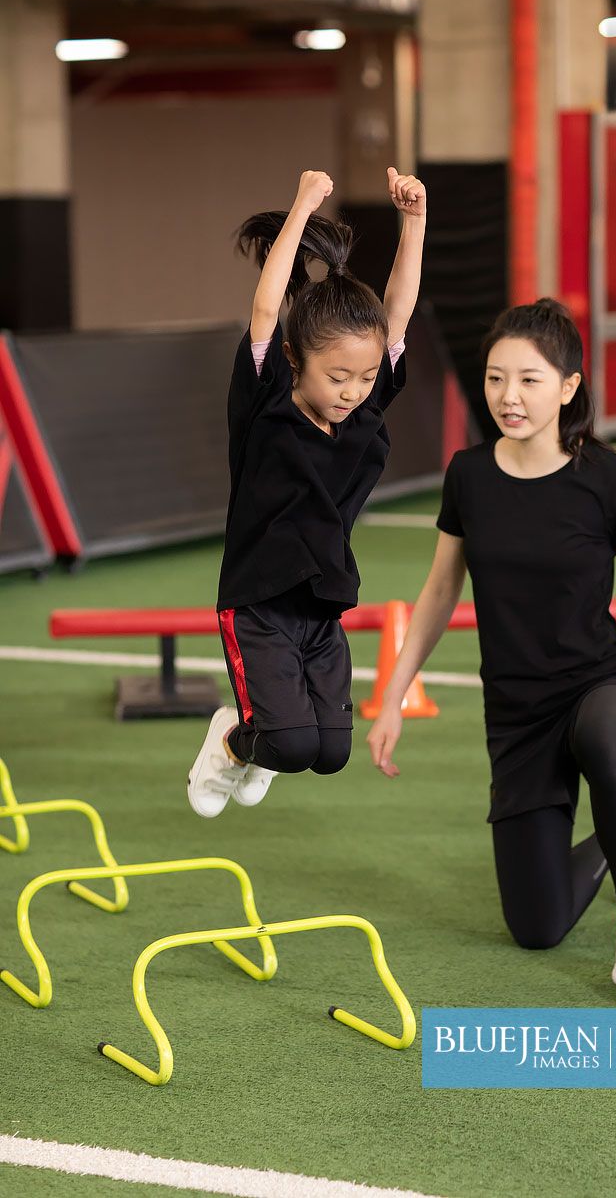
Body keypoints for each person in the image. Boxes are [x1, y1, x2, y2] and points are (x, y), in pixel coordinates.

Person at [367, 298, 616, 1008]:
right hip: (517, 714)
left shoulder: (605, 477)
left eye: (529, 380)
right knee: (534, 925)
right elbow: (441, 590)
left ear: (567, 386)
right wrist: (391, 699)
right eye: (496, 378)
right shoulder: (468, 475)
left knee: (603, 735)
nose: (509, 396)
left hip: (601, 685)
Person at [188, 166, 426, 818]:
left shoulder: (365, 411)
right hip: (258, 601)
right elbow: (268, 308)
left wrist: (415, 222)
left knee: (328, 752)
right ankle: (234, 744)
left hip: (320, 605)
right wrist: (301, 204)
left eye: (366, 375)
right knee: (289, 744)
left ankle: (267, 744)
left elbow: (396, 314)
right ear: (295, 359)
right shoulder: (266, 403)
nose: (353, 389)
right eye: (338, 375)